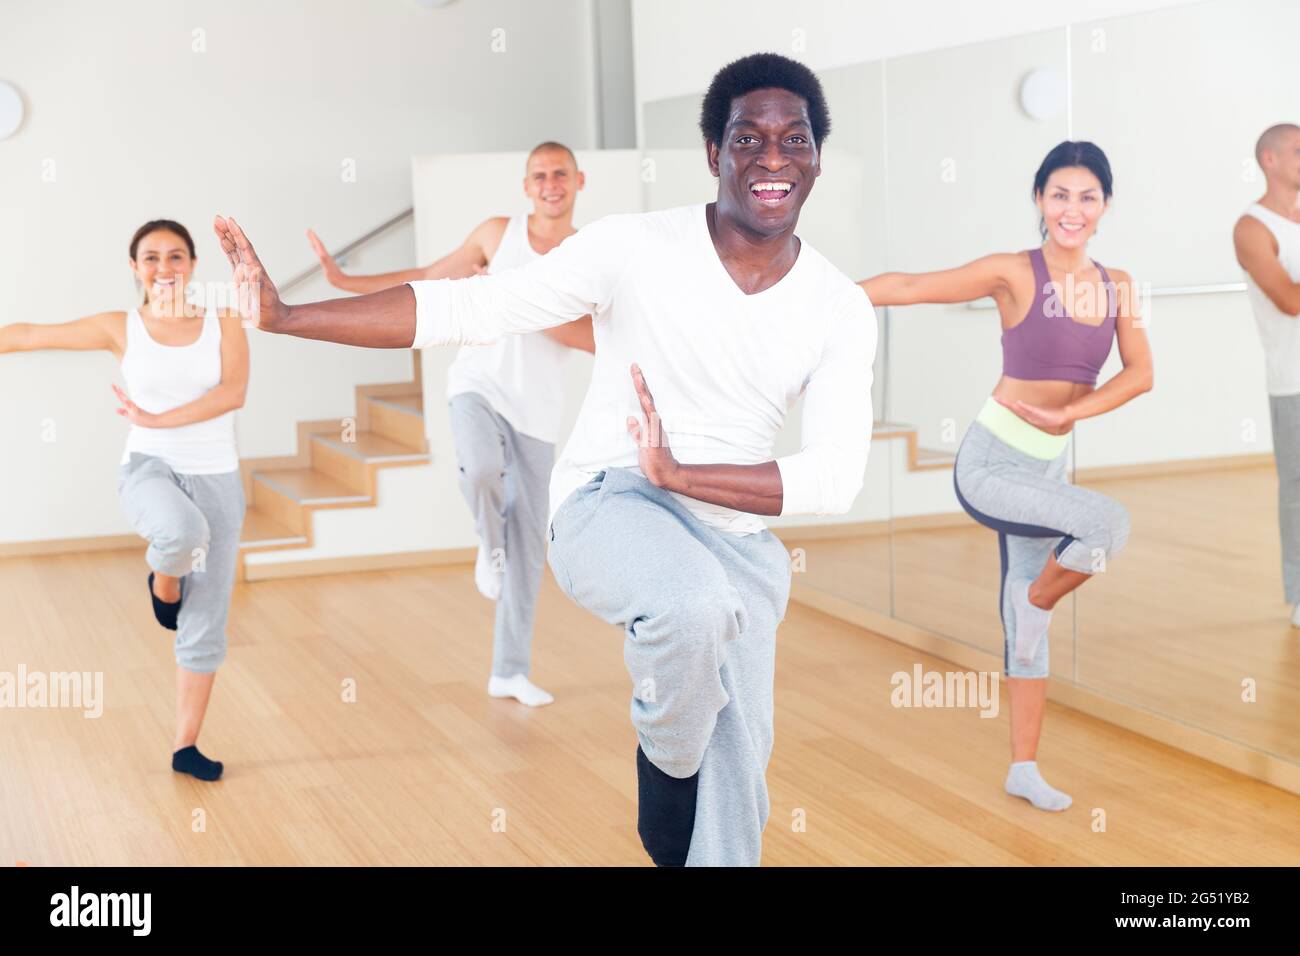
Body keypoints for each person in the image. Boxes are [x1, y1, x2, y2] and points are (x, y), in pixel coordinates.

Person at [213, 51, 876, 866]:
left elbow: (837, 475)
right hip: (612, 501)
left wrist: (689, 475)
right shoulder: (634, 246)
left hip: (736, 534)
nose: (773, 159)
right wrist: (287, 316)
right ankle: (667, 771)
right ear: (714, 153)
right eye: (748, 139)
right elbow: (478, 304)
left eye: (794, 140)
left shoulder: (839, 307)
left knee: (739, 799)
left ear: (817, 155)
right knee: (691, 608)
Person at [860, 141, 1152, 812]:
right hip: (991, 462)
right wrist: (818, 296)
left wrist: (1075, 412)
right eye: (1059, 195)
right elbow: (908, 287)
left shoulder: (1118, 286)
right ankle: (1035, 600)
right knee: (1106, 525)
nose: (1071, 209)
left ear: (1105, 205)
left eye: (1086, 197)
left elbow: (1141, 373)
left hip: (1046, 464)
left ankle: (1024, 766)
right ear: (1039, 200)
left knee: (1028, 621)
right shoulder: (1013, 273)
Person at [307, 142, 596, 707]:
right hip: (477, 385)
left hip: (536, 410)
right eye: (539, 175)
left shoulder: (586, 254)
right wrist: (344, 282)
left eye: (560, 173)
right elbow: (429, 279)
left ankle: (509, 670)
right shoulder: (496, 234)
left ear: (579, 181)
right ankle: (487, 545)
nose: (550, 183)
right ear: (526, 186)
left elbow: (591, 337)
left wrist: (532, 310)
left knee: (530, 546)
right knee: (482, 469)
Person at [0, 219, 248, 781]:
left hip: (217, 477)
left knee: (207, 618)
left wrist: (161, 415)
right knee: (180, 533)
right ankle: (163, 582)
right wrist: (154, 427)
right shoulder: (121, 327)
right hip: (149, 468)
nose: (165, 267)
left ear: (192, 265)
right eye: (152, 258)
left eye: (177, 256)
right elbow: (31, 334)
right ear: (135, 267)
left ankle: (186, 746)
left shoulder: (224, 321)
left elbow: (234, 393)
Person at [1233, 123, 1300, 626]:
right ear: (1269, 160)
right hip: (1293, 380)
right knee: (1296, 487)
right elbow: (1289, 299)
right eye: (1299, 151)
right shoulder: (1253, 229)